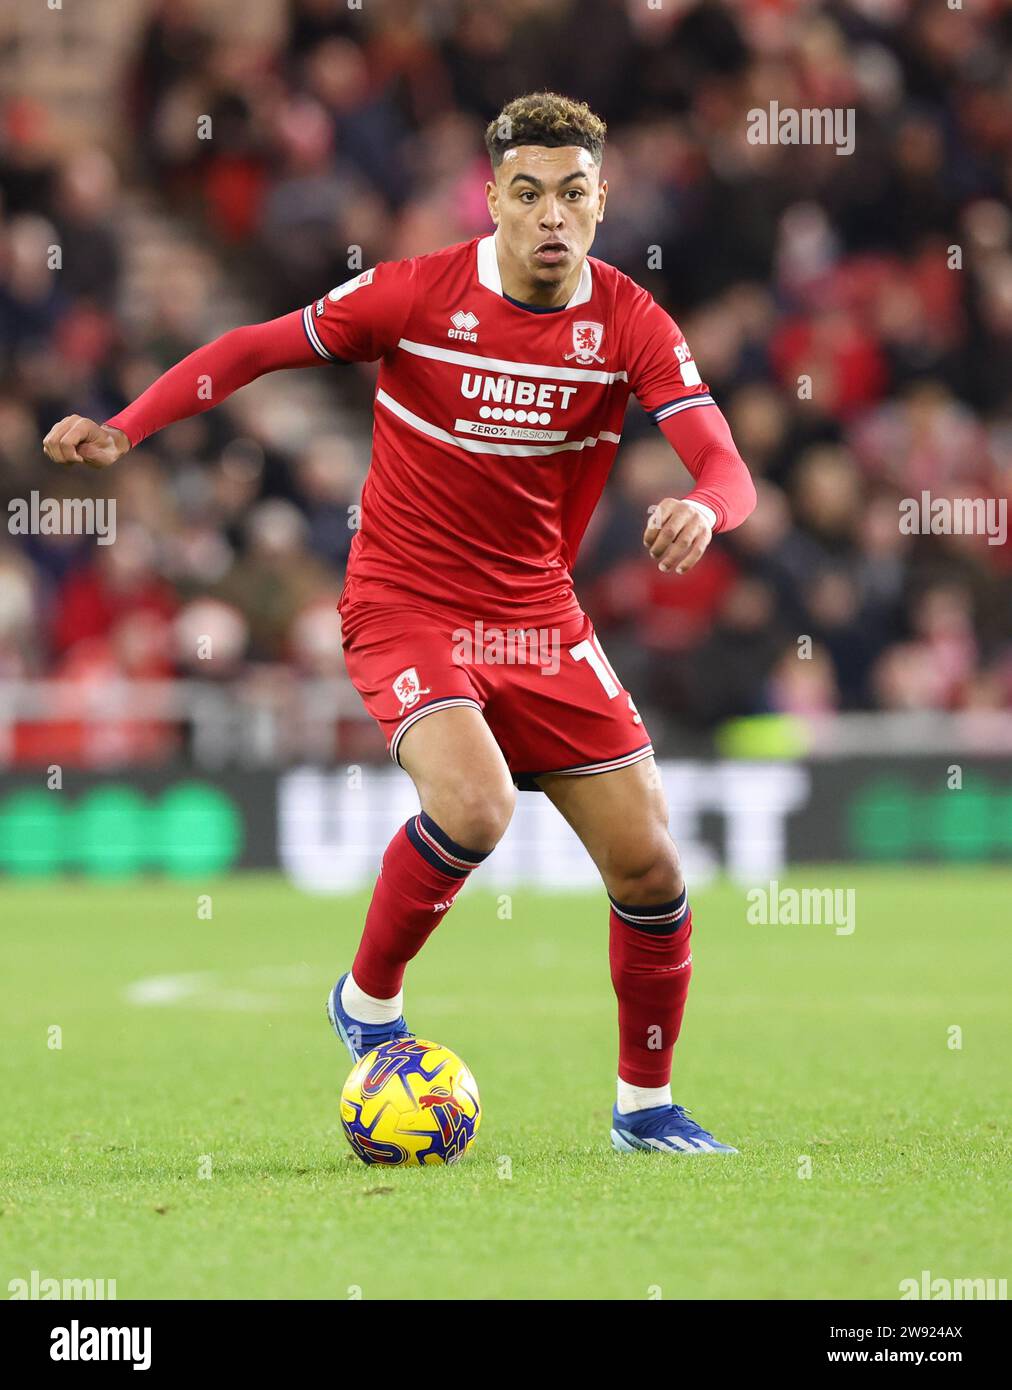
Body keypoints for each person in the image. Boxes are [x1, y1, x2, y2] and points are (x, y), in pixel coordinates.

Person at [44, 92, 757, 1155]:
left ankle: (644, 1110)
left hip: (536, 618)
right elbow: (251, 350)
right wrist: (125, 426)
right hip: (406, 603)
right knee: (473, 805)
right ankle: (368, 1001)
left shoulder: (631, 323)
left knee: (651, 869)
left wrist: (702, 508)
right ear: (494, 201)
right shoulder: (415, 294)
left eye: (572, 194)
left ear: (602, 203)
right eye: (528, 194)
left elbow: (726, 464)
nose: (551, 215)